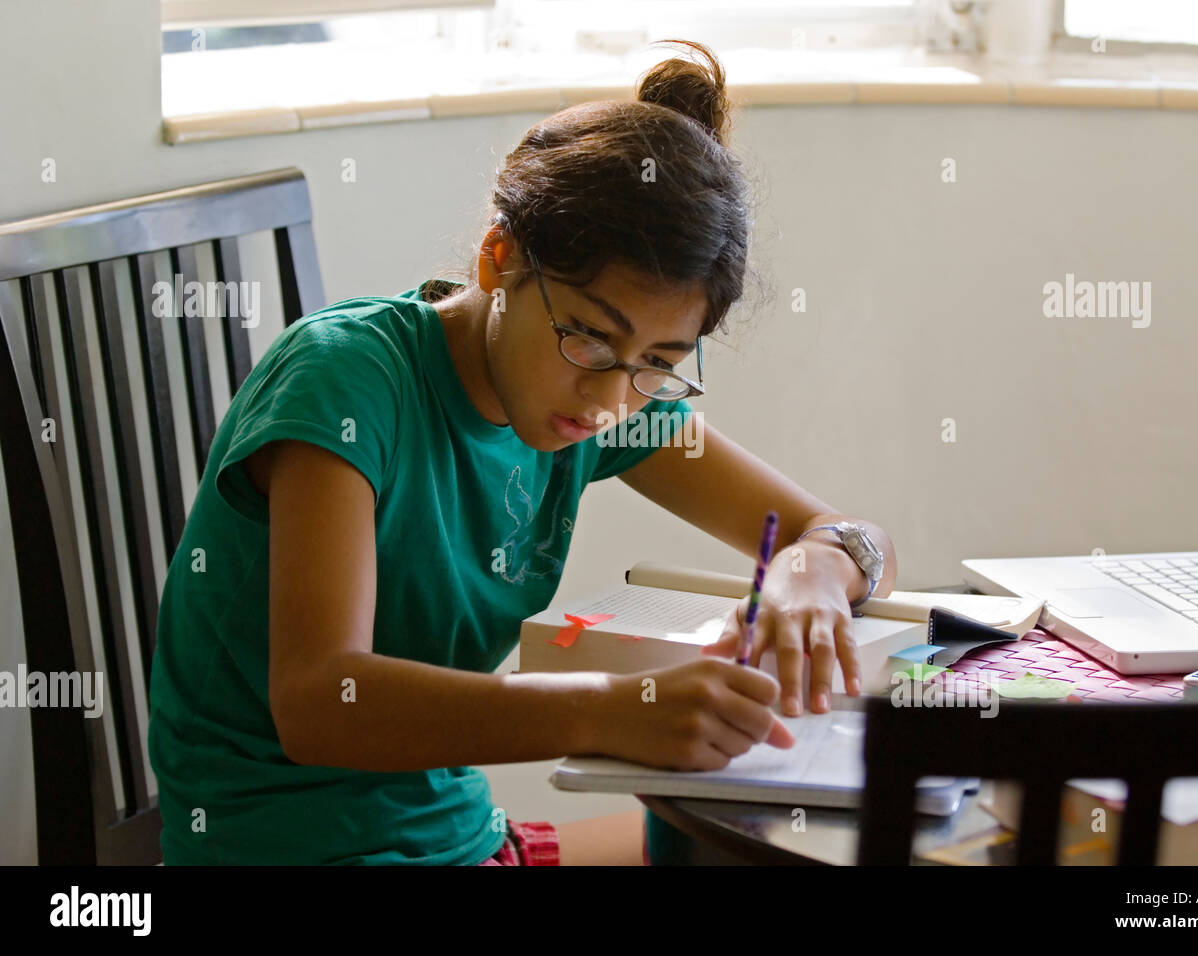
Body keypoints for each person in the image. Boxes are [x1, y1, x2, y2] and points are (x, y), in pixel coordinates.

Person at [147, 39, 896, 866]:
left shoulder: (601, 400)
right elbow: (322, 700)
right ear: (499, 257)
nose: (613, 400)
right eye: (589, 337)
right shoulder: (346, 383)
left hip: (457, 834)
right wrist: (612, 709)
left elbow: (839, 530)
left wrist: (814, 570)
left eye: (660, 364)